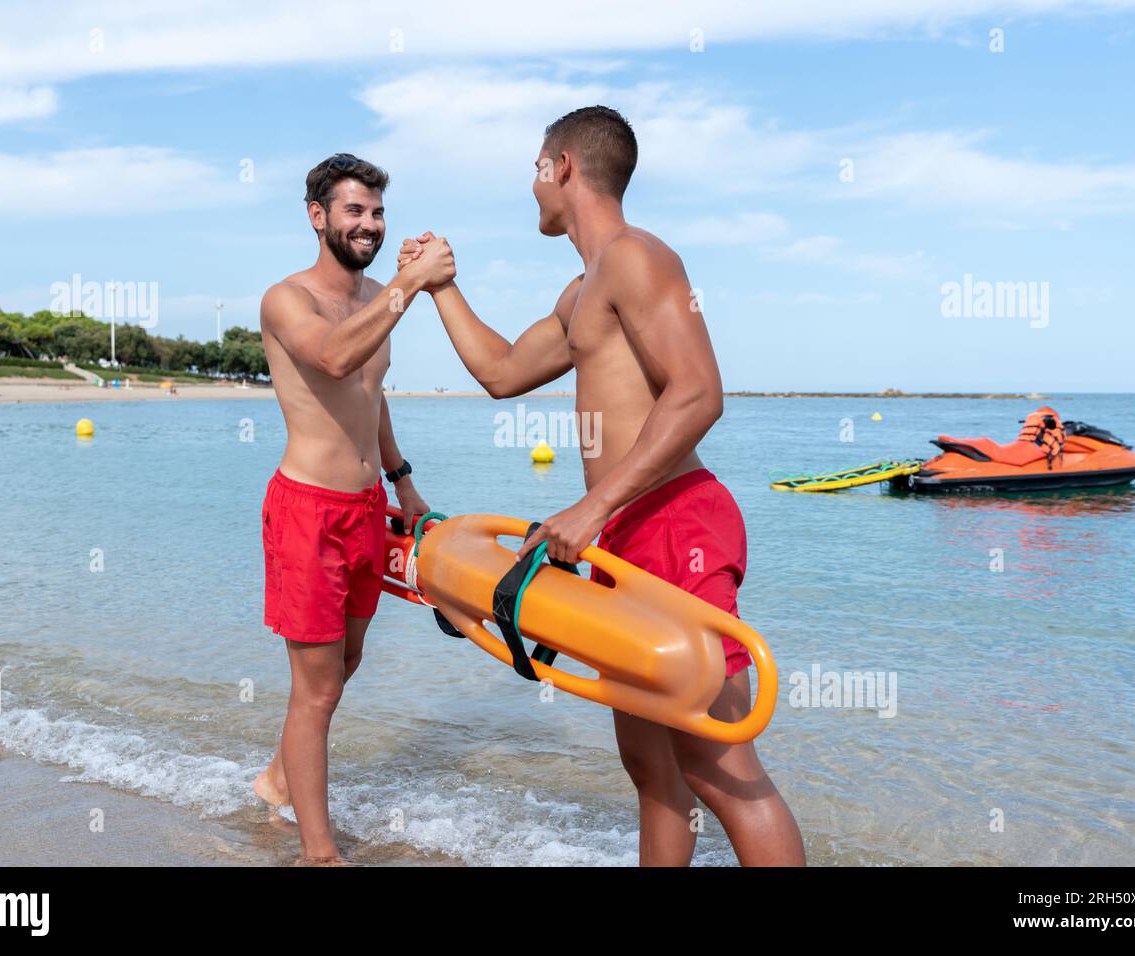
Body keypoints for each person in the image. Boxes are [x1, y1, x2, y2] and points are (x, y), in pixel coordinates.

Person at [397, 107, 804, 866]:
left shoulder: (639, 258)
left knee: (719, 768)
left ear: (563, 168)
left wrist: (594, 503)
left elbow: (699, 393)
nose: (531, 185)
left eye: (534, 167)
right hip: (624, 537)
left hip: (676, 522)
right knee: (652, 773)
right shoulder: (581, 292)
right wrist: (438, 288)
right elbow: (500, 372)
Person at [253, 153, 452, 866]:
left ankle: (279, 777)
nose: (368, 224)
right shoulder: (288, 300)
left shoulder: (376, 298)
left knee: (348, 660)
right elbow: (335, 360)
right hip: (307, 511)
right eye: (354, 211)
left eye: (377, 213)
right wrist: (411, 283)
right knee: (317, 688)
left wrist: (402, 481)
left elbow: (369, 393)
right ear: (318, 216)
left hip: (368, 506)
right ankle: (320, 852)